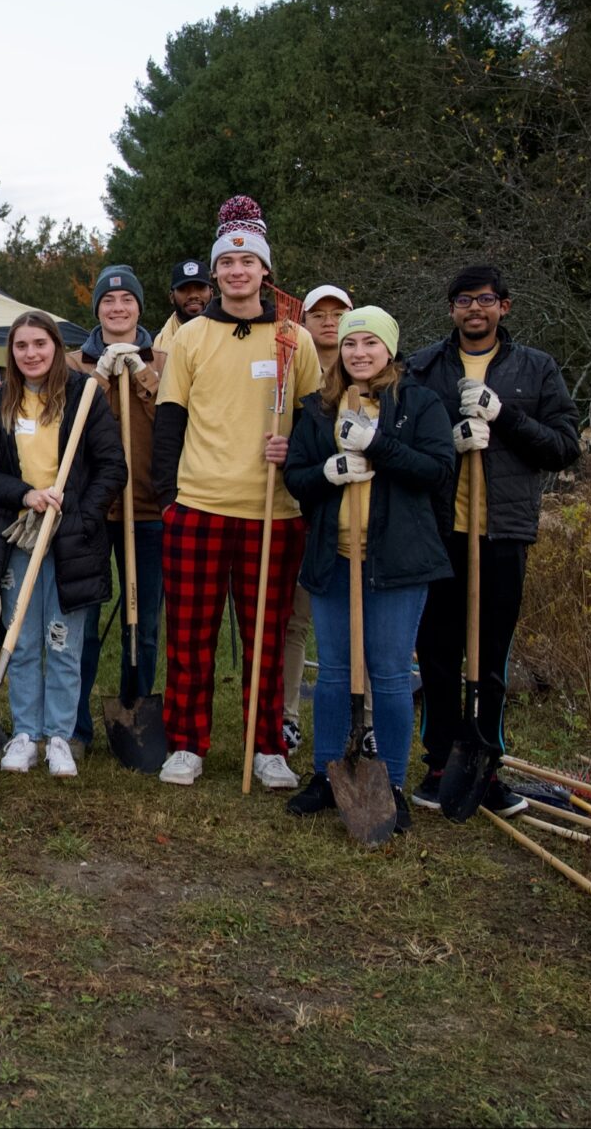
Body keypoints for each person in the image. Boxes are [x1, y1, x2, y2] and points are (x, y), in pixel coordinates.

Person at [151, 196, 320, 789]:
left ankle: (266, 745)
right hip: (198, 507)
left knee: (266, 638)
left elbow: (313, 423)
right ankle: (187, 743)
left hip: (274, 510)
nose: (237, 271)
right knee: (191, 634)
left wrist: (293, 456)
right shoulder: (192, 337)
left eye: (248, 261)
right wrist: (170, 496)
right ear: (217, 271)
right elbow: (169, 421)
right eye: (227, 262)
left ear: (264, 270)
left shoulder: (294, 339)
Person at [406, 266, 580, 814]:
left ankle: (485, 765)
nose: (474, 309)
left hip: (501, 533)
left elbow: (563, 448)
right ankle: (439, 764)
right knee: (437, 653)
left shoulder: (536, 368)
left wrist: (503, 416)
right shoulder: (424, 367)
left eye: (485, 300)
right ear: (451, 309)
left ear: (505, 306)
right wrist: (449, 442)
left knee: (492, 659)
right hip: (439, 532)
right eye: (464, 300)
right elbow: (401, 440)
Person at [281, 307, 454, 831]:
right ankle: (326, 773)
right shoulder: (318, 408)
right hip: (334, 558)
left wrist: (377, 445)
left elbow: (438, 471)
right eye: (352, 343)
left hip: (398, 562)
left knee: (391, 675)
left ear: (389, 349)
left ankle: (392, 785)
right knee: (333, 673)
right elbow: (296, 476)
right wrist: (329, 471)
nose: (358, 352)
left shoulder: (419, 405)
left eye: (370, 343)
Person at [0, 311, 125, 777]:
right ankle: (25, 733)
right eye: (21, 346)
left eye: (40, 344)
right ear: (11, 353)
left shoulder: (84, 397)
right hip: (20, 536)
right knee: (21, 637)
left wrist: (78, 514)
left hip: (70, 540)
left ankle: (59, 734)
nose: (31, 353)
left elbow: (111, 467)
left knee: (62, 639)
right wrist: (26, 494)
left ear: (56, 347)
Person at [68, 264, 168, 747]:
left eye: (127, 299)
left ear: (139, 308)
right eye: (108, 301)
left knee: (143, 622)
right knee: (83, 623)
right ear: (98, 310)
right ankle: (76, 724)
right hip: (91, 510)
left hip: (147, 509)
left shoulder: (165, 362)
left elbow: (170, 421)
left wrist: (142, 375)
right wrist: (103, 377)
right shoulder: (73, 364)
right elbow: (73, 427)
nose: (118, 307)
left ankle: (134, 713)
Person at [274, 281, 353, 752]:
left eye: (337, 313)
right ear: (303, 322)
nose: (328, 321)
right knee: (295, 621)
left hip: (357, 518)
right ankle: (286, 714)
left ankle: (355, 719)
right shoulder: (294, 369)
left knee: (350, 622)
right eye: (317, 313)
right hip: (300, 509)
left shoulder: (369, 369)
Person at [154, 258, 214, 346]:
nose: (193, 295)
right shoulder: (152, 346)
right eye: (184, 289)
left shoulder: (229, 335)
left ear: (211, 294)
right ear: (171, 297)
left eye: (200, 287)